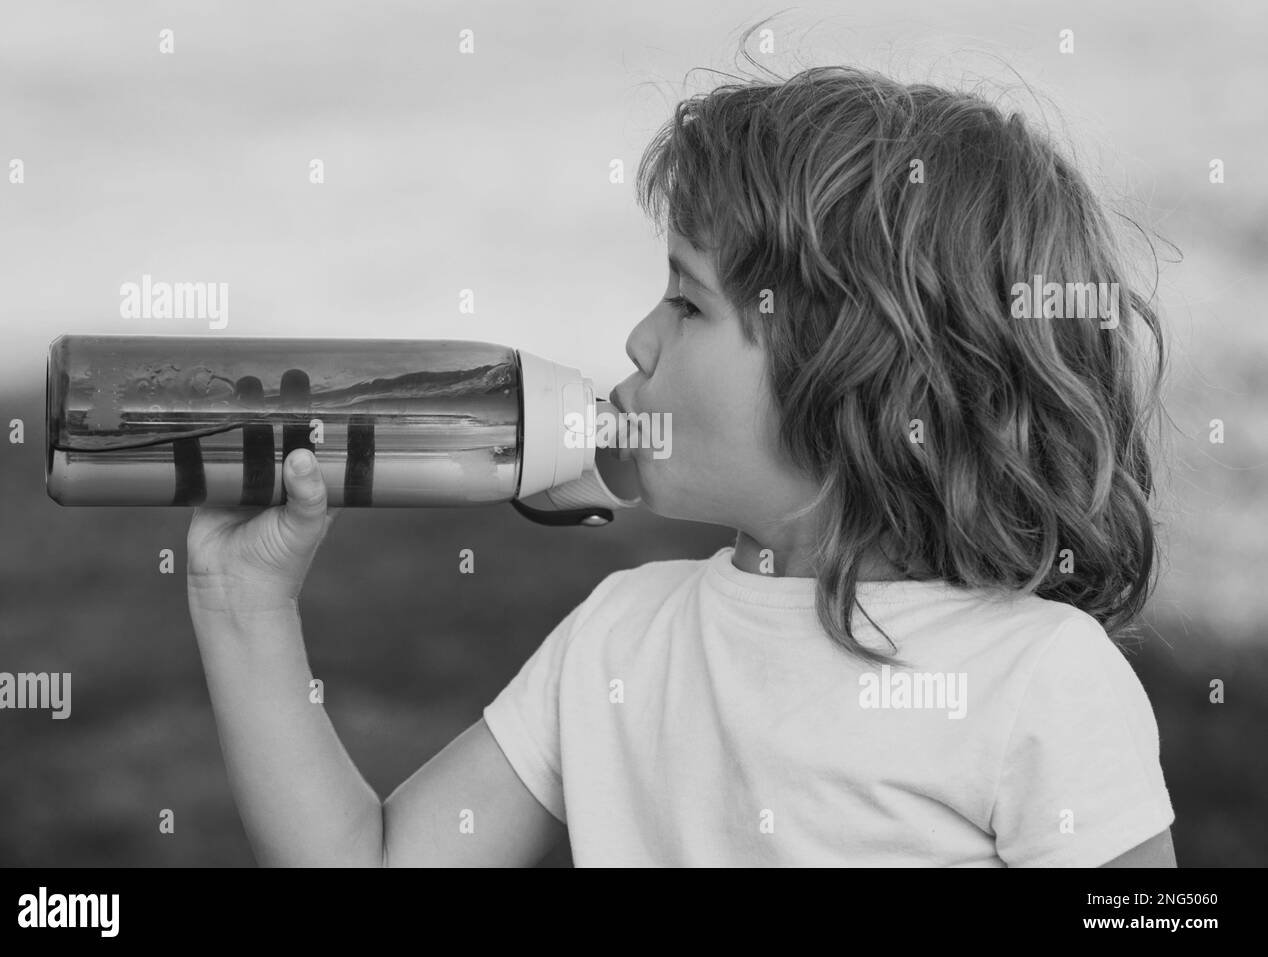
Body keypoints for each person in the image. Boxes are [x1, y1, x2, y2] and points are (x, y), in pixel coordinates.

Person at [187, 64, 1176, 867]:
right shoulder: (620, 641)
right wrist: (244, 603)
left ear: (864, 385)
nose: (636, 337)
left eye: (688, 304)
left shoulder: (1035, 678)